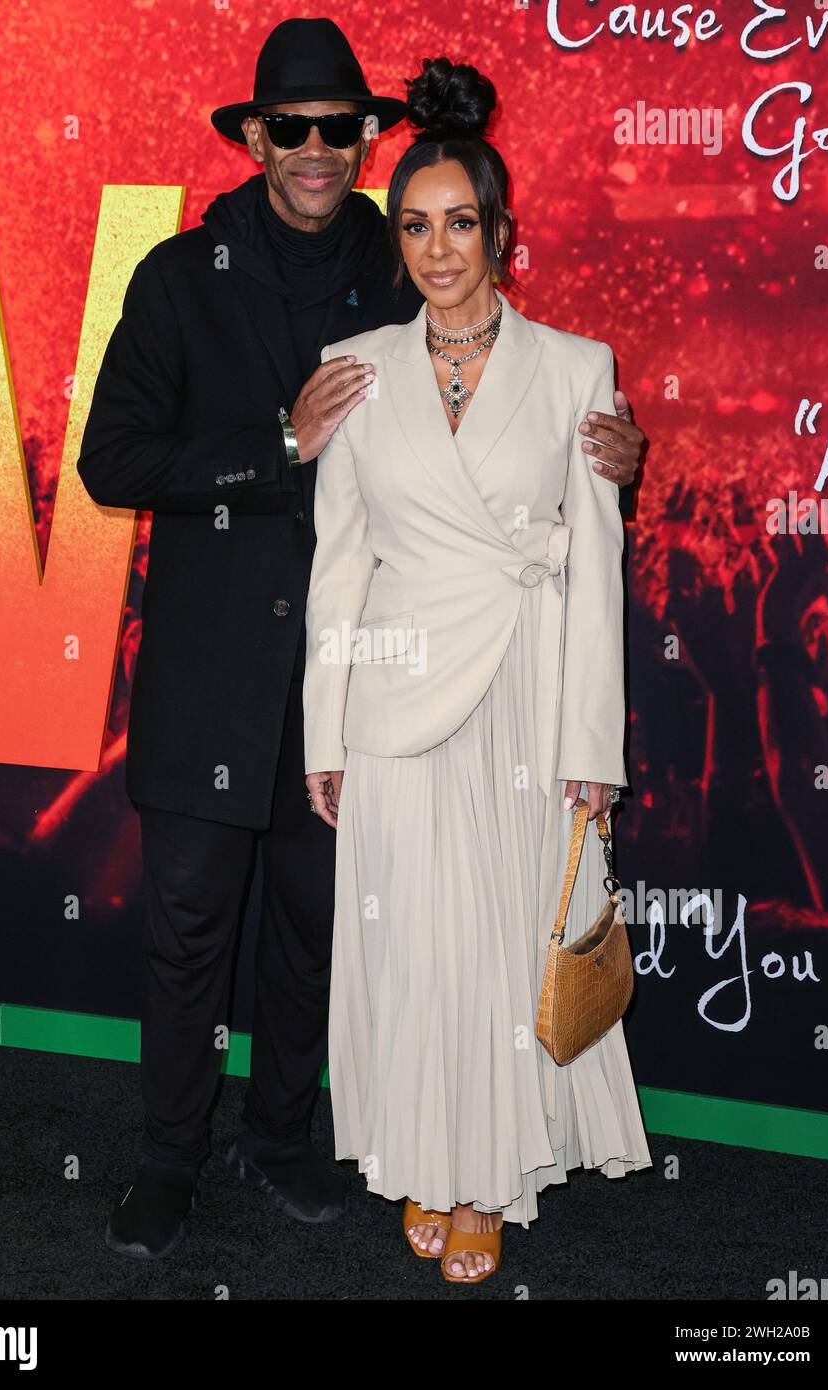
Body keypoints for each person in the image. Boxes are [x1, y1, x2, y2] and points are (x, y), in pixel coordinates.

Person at [77, 18, 643, 1261]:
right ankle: (166, 1161)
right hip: (217, 673)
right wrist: (272, 449)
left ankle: (283, 1140)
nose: (321, 149)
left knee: (313, 936)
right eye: (295, 128)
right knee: (185, 932)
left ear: (372, 140)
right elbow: (106, 459)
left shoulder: (406, 272)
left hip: (371, 687)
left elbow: (521, 403)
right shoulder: (180, 275)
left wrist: (614, 453)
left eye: (344, 127)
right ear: (255, 137)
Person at [303, 56, 653, 1284]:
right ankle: (427, 1159)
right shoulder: (357, 366)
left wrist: (589, 751)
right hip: (394, 697)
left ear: (502, 233)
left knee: (502, 949)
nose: (436, 249)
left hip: (520, 693)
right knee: (414, 952)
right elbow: (337, 568)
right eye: (413, 225)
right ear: (392, 236)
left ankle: (490, 1177)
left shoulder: (574, 369)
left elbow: (594, 573)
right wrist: (322, 732)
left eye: (460, 224)